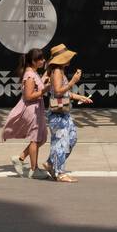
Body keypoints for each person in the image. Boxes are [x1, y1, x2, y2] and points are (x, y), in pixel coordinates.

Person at [44, 43, 93, 182]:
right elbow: (59, 91)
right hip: (58, 114)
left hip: (62, 113)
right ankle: (59, 172)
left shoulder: (59, 70)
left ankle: (51, 163)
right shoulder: (57, 71)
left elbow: (63, 92)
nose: (69, 59)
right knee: (62, 141)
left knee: (71, 138)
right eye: (67, 57)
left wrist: (79, 97)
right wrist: (73, 81)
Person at [1, 48, 48, 177]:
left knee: (42, 138)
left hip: (37, 109)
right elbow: (28, 96)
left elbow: (37, 86)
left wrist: (45, 79)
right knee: (35, 139)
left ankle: (20, 158)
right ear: (33, 61)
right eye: (41, 59)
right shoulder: (30, 75)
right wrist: (44, 91)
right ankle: (34, 169)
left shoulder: (33, 72)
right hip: (32, 110)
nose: (43, 61)